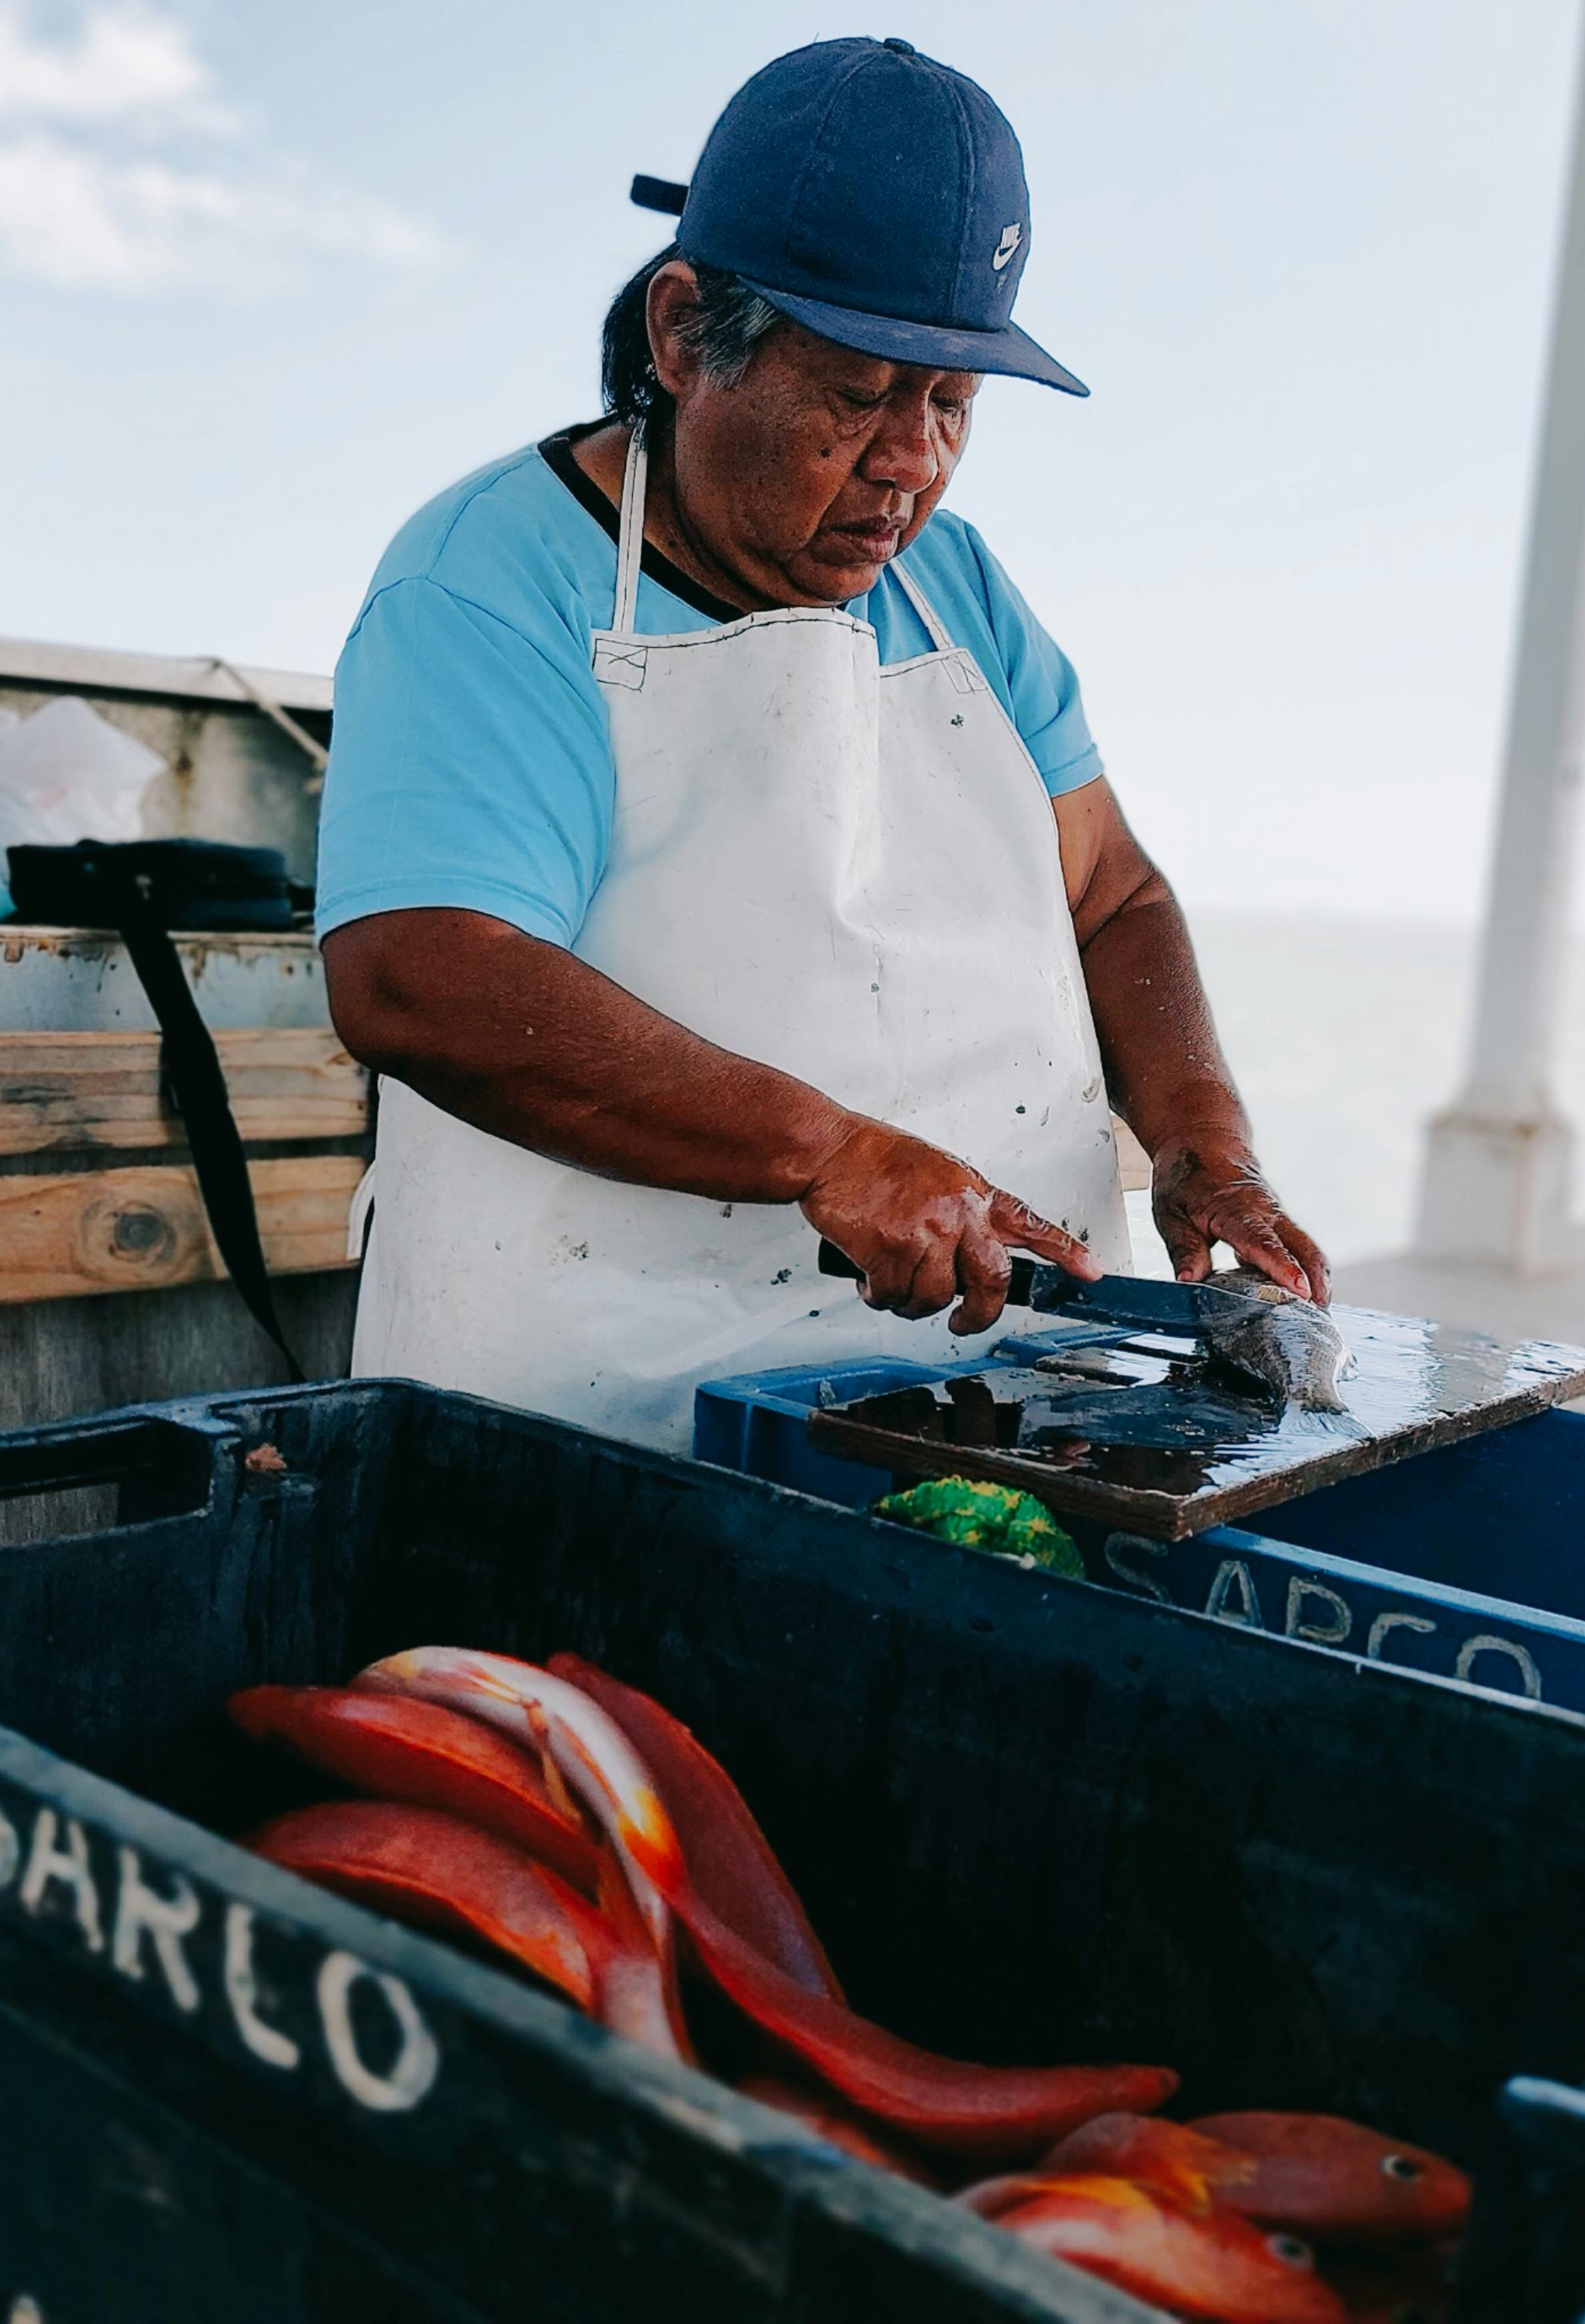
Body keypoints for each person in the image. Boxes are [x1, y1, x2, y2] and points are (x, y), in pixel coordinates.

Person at [318, 35, 1326, 1450]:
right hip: (602, 1410)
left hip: (1000, 1390)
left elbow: (1115, 894)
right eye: (859, 395)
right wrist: (829, 1152)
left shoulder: (957, 586)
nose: (911, 461)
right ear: (682, 335)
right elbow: (422, 976)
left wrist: (1204, 1141)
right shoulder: (488, 581)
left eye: (952, 405)